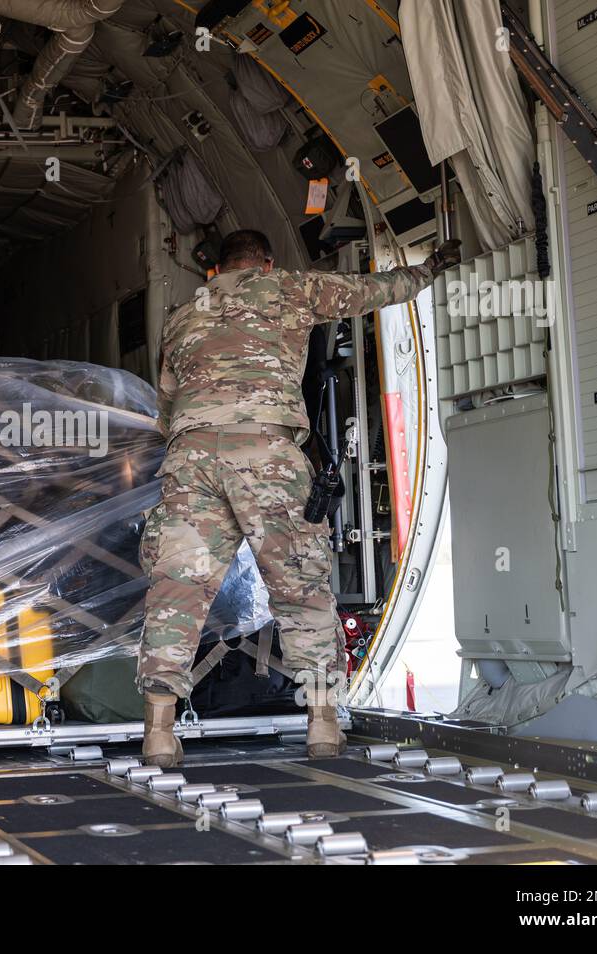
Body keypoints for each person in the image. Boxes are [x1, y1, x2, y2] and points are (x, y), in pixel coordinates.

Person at [137, 229, 461, 764]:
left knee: (177, 590)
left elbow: (166, 407)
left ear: (216, 269)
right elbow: (369, 291)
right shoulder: (288, 288)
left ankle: (159, 733)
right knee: (300, 590)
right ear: (265, 262)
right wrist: (427, 270)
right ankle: (323, 726)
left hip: (191, 456)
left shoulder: (181, 314)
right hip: (266, 452)